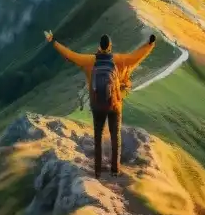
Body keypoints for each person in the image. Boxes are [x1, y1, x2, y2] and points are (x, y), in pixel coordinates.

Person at [44, 29, 155, 178]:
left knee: (97, 138)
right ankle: (115, 170)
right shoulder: (120, 60)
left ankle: (97, 171)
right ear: (110, 46)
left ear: (99, 47)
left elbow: (69, 55)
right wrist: (150, 44)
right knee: (116, 137)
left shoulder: (89, 61)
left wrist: (53, 41)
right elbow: (137, 57)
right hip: (115, 105)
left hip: (97, 106)